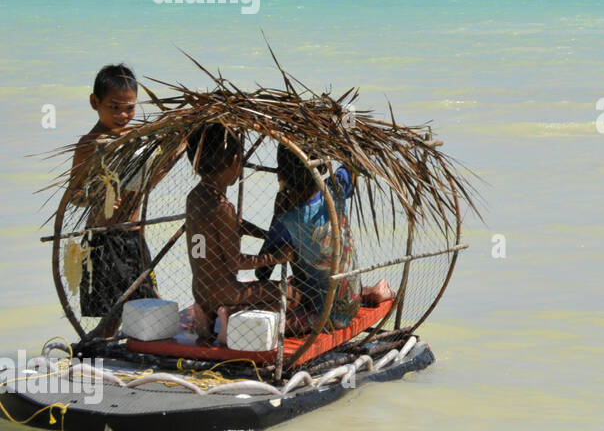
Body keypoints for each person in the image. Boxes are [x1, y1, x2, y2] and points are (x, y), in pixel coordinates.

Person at [258, 145, 391, 332]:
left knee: (272, 320)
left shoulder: (285, 217)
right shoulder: (335, 189)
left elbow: (262, 272)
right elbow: (350, 165)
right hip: (353, 297)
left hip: (325, 315)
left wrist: (275, 221)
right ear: (320, 168)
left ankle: (368, 294)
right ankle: (372, 292)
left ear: (281, 175)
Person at [68, 64, 160, 333]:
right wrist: (96, 198)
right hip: (105, 238)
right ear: (95, 102)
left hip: (134, 237)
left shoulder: (134, 139)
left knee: (148, 302)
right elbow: (73, 194)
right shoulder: (90, 145)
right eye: (115, 107)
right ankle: (95, 349)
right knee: (114, 314)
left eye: (129, 108)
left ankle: (122, 348)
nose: (123, 114)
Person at [184, 123, 296, 341]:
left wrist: (266, 234)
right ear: (235, 161)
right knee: (292, 295)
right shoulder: (223, 207)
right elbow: (235, 262)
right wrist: (274, 257)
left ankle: (207, 314)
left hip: (200, 288)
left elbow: (232, 226)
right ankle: (231, 314)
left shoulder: (196, 197)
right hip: (225, 291)